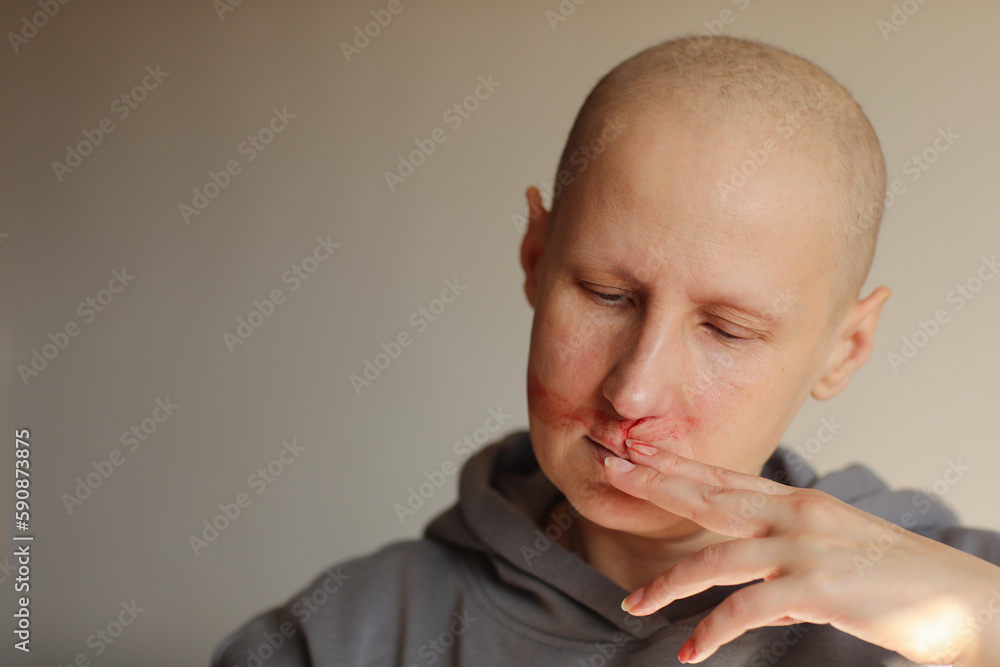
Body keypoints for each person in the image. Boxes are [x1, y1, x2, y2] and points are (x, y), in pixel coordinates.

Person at [211, 36, 1000, 666]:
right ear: (534, 258)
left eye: (725, 329)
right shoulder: (341, 637)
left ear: (846, 347)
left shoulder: (959, 600)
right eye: (606, 295)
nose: (634, 390)